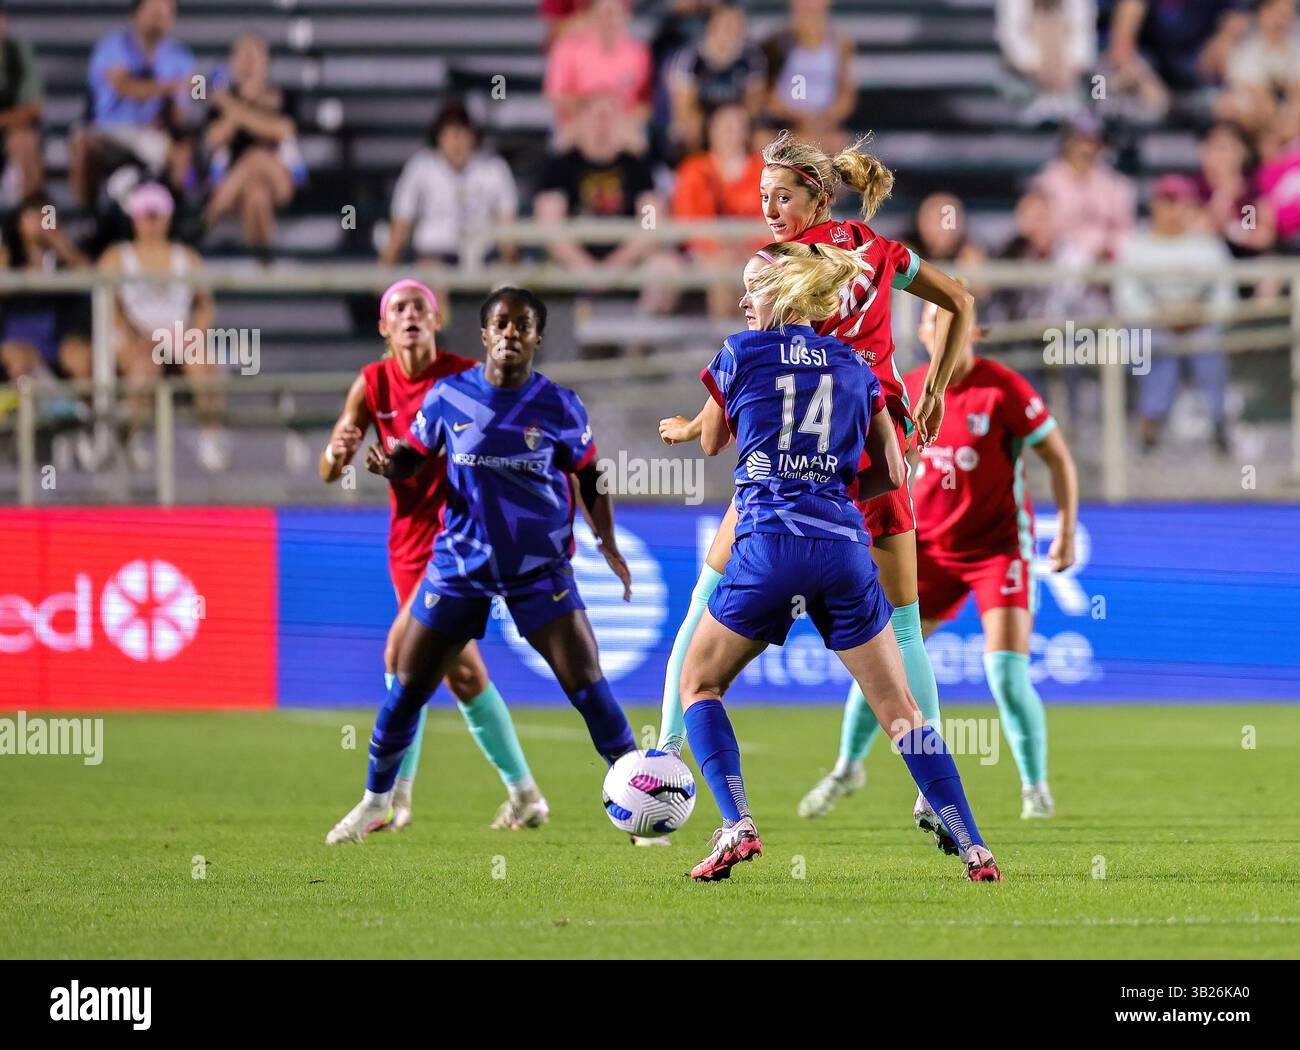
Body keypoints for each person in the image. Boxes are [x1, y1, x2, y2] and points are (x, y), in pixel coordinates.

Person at [656, 130, 978, 851]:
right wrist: (933, 396)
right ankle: (936, 801)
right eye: (764, 197)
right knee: (904, 623)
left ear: (816, 196)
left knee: (706, 601)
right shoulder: (876, 246)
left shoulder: (775, 265)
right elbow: (959, 297)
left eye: (783, 196)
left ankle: (668, 755)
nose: (770, 210)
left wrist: (699, 421)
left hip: (796, 464)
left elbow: (758, 361)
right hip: (878, 435)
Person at [326, 288, 639, 845]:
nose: (511, 333)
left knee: (588, 686)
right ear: (484, 334)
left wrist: (608, 543)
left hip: (539, 568)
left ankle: (639, 805)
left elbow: (590, 477)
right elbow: (413, 456)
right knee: (406, 683)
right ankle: (377, 802)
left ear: (538, 337)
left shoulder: (560, 405)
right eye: (501, 323)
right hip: (461, 564)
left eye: (524, 325)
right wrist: (388, 463)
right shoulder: (450, 397)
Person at [800, 301, 1079, 821]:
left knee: (1005, 673)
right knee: (884, 661)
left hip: (997, 549)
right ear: (926, 335)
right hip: (926, 549)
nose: (946, 334)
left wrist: (1064, 533)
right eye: (934, 324)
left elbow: (1057, 457)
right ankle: (846, 767)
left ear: (972, 332)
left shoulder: (1004, 389)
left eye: (955, 325)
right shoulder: (904, 386)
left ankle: (1035, 789)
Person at [320, 279, 547, 833]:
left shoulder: (464, 376)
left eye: (419, 306)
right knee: (461, 673)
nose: (410, 314)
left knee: (405, 653)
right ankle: (525, 796)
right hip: (406, 542)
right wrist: (337, 453)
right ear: (384, 326)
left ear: (436, 319)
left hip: (460, 533)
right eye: (398, 308)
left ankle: (393, 799)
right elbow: (328, 469)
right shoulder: (371, 384)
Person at [98, 181, 226, 472]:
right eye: (146, 215)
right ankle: (133, 437)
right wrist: (134, 335)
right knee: (145, 366)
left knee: (201, 359)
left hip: (176, 333)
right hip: (134, 336)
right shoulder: (117, 257)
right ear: (134, 217)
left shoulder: (188, 258)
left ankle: (210, 435)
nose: (151, 223)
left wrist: (196, 333)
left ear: (168, 217)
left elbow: (205, 304)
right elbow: (107, 306)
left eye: (156, 215)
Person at [1115, 175, 1236, 453]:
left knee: (1208, 345)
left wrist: (1200, 315)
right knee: (1158, 348)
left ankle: (1219, 421)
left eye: (1178, 203)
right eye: (1165, 203)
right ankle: (1150, 424)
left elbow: (1225, 297)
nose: (1172, 211)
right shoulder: (1135, 245)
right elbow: (1126, 298)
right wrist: (1160, 317)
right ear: (1155, 206)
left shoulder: (1208, 247)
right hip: (1150, 328)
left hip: (1200, 326)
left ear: (1190, 207)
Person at [72, 0, 195, 209]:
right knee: (83, 145)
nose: (160, 18)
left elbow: (179, 113)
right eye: (154, 11)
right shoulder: (113, 45)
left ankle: (176, 219)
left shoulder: (180, 57)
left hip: (149, 133)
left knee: (183, 154)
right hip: (109, 130)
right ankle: (86, 215)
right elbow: (126, 87)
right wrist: (171, 86)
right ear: (136, 14)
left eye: (166, 12)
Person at [380, 100, 518, 269]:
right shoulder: (420, 167)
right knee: (432, 275)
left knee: (502, 281)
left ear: (473, 136)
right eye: (449, 133)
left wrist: (511, 270)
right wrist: (385, 268)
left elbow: (508, 229)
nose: (456, 141)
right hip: (433, 257)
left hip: (484, 260)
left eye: (462, 132)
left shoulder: (494, 167)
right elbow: (401, 224)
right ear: (438, 137)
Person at [202, 32, 303, 260]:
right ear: (233, 63)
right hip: (237, 186)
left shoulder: (283, 97)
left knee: (256, 156)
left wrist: (233, 108)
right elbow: (214, 138)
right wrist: (242, 104)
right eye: (242, 56)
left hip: (280, 178)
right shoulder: (222, 103)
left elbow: (282, 130)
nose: (248, 63)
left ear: (266, 62)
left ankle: (208, 216)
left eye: (254, 55)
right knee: (256, 196)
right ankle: (264, 262)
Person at [670, 103, 766, 318]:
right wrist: (716, 248)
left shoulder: (763, 171)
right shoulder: (693, 169)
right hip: (703, 254)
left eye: (736, 126)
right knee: (722, 272)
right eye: (723, 126)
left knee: (749, 273)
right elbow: (685, 221)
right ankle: (725, 345)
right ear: (710, 130)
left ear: (746, 133)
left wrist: (743, 249)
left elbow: (770, 221)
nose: (729, 133)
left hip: (750, 252)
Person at [543, 0, 651, 148]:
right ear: (589, 16)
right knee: (566, 141)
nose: (609, 20)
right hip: (578, 120)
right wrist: (592, 110)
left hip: (622, 123)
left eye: (614, 13)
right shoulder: (567, 48)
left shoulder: (638, 53)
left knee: (635, 141)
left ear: (626, 16)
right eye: (603, 13)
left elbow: (645, 103)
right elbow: (555, 94)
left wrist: (615, 117)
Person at [666, 3, 766, 156]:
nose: (731, 32)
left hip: (735, 118)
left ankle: (749, 175)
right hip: (704, 118)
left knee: (763, 138)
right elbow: (683, 108)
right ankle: (697, 172)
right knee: (688, 129)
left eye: (737, 26)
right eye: (726, 25)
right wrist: (711, 125)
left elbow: (753, 105)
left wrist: (733, 123)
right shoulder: (690, 57)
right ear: (712, 25)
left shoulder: (751, 58)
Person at [762, 0, 856, 149]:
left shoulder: (840, 43)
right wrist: (797, 116)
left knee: (840, 145)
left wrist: (825, 117)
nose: (809, 6)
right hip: (787, 124)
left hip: (824, 125)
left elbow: (846, 94)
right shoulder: (778, 41)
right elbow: (767, 93)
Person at [0, 8, 45, 199]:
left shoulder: (19, 52)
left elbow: (33, 108)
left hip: (11, 128)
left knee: (26, 144)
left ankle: (37, 218)